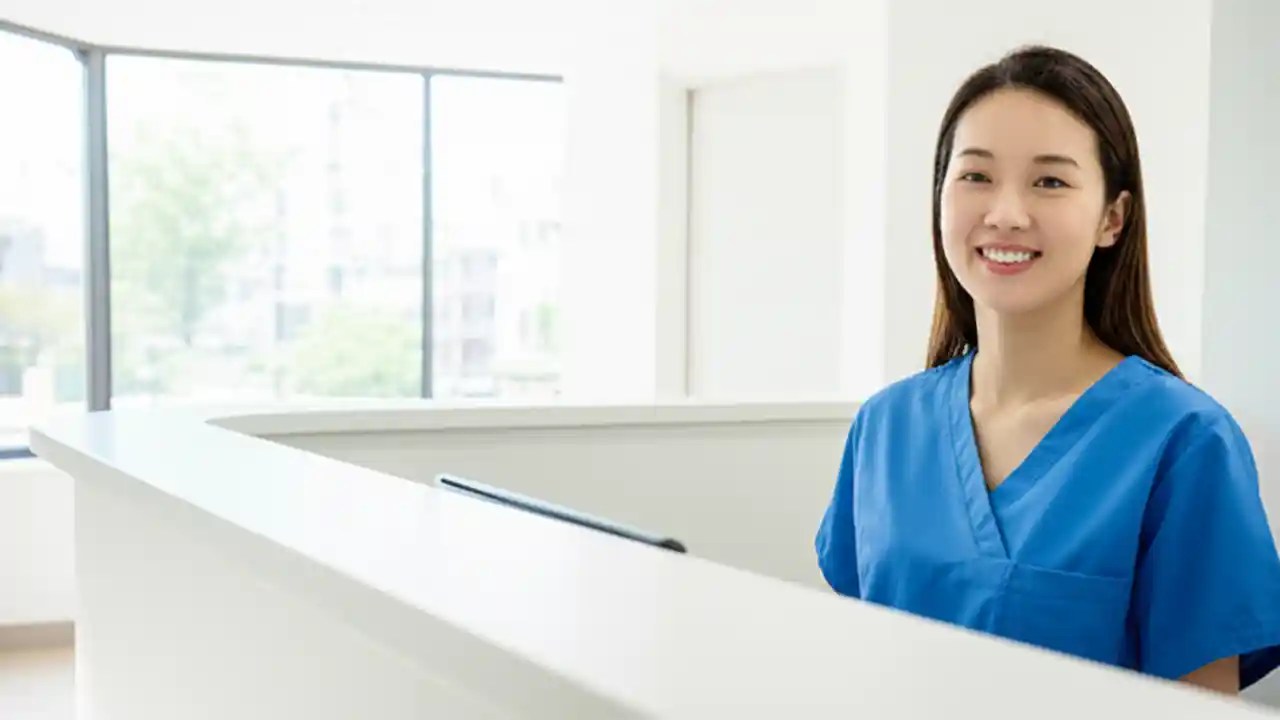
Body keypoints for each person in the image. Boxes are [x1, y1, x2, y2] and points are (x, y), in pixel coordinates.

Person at [815, 45, 1280, 695]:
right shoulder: (886, 426)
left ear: (1112, 218)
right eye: (976, 176)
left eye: (1050, 182)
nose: (1006, 213)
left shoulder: (1185, 440)